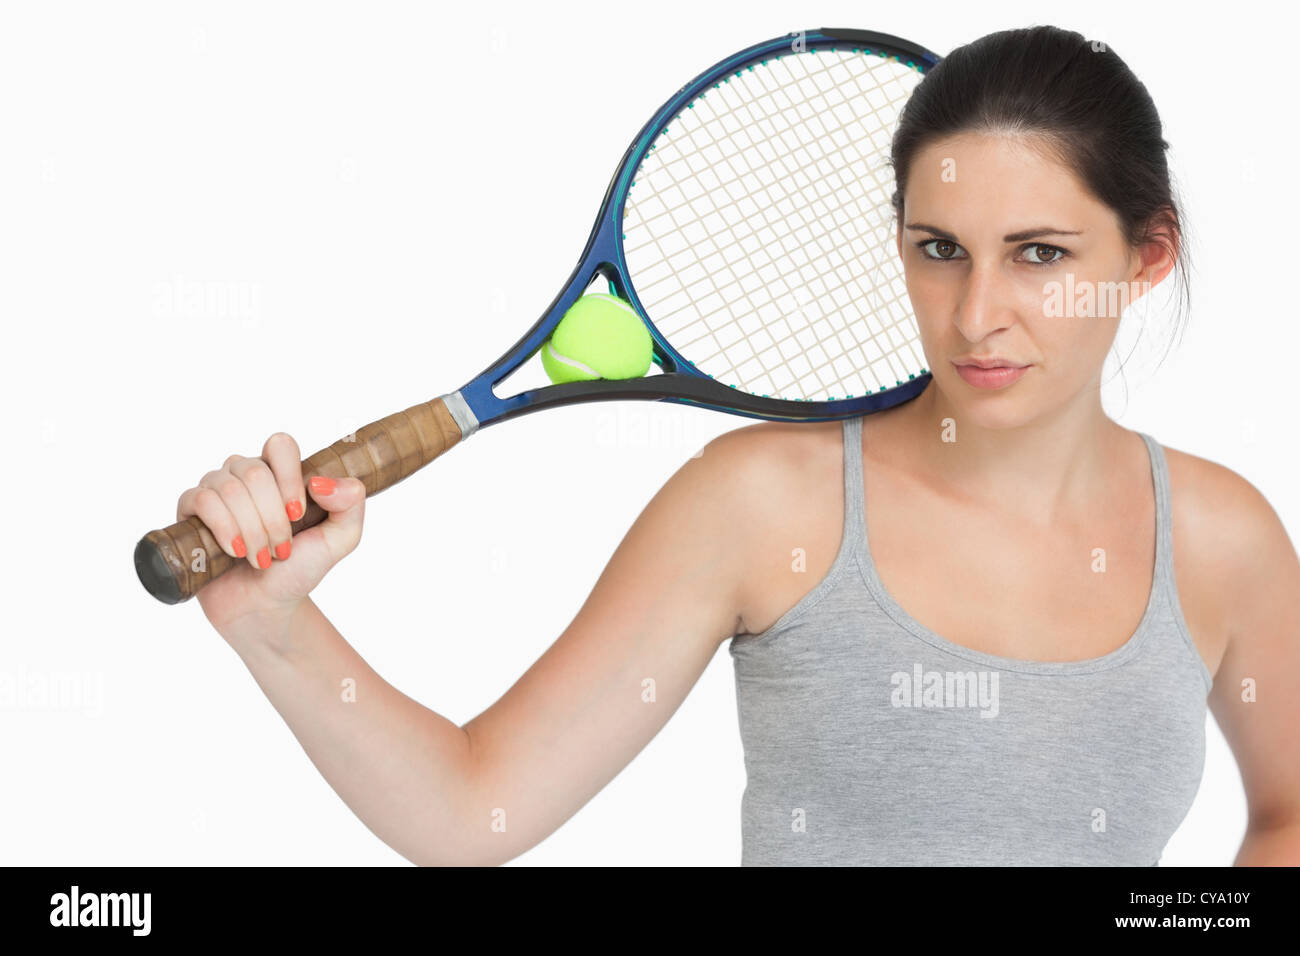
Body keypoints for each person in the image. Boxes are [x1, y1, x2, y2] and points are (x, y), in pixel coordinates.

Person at [175, 25, 1300, 865]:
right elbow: (473, 810)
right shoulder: (766, 505)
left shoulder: (1221, 536)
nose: (975, 313)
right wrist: (276, 628)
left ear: (1146, 255)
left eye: (1041, 254)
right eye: (939, 248)